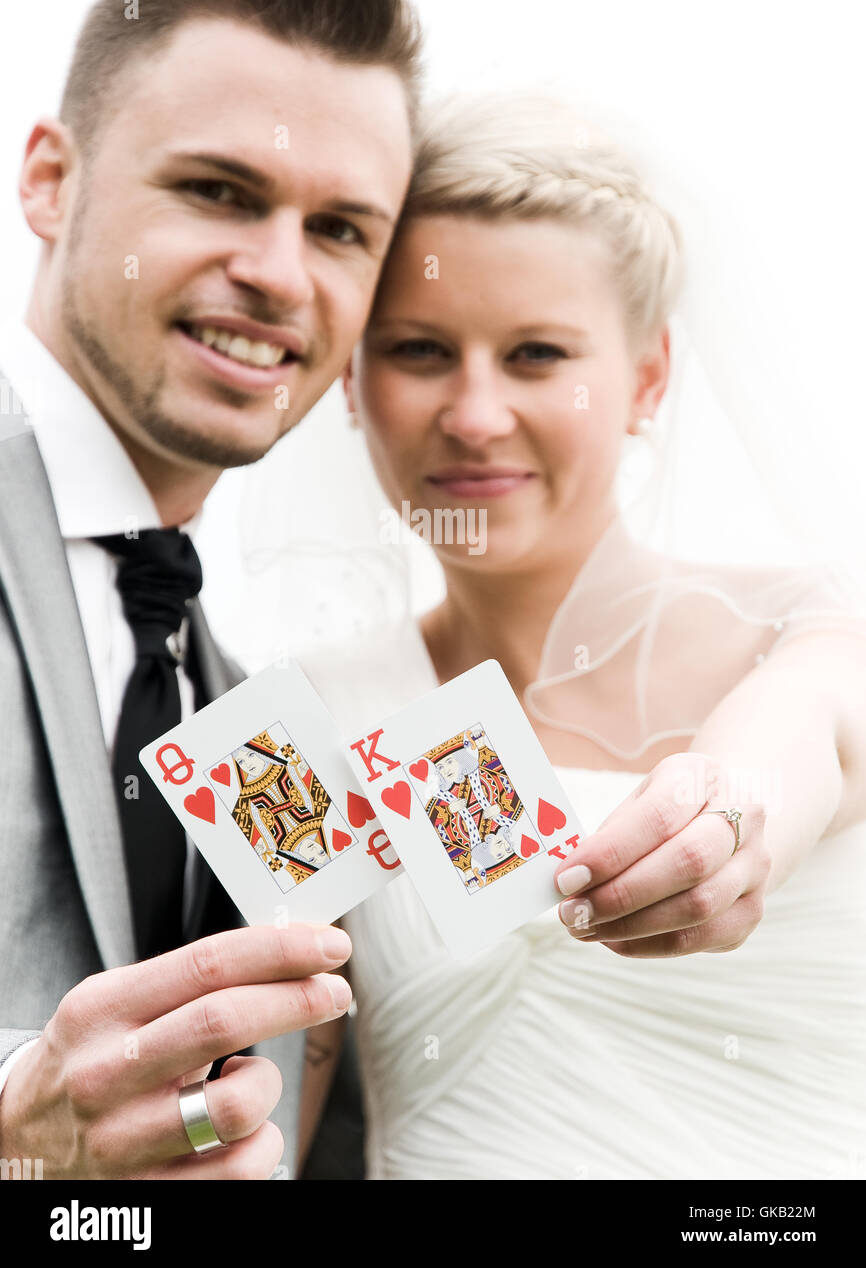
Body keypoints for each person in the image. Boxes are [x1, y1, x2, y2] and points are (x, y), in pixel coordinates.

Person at [297, 92, 866, 1179]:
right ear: (349, 382)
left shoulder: (818, 630)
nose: (471, 414)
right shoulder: (293, 719)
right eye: (418, 350)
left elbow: (800, 735)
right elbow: (270, 1105)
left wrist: (732, 820)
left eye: (535, 354)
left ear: (645, 378)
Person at [0, 0, 420, 1179]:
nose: (281, 275)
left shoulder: (251, 710)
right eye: (217, 191)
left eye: (340, 228)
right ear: (50, 182)